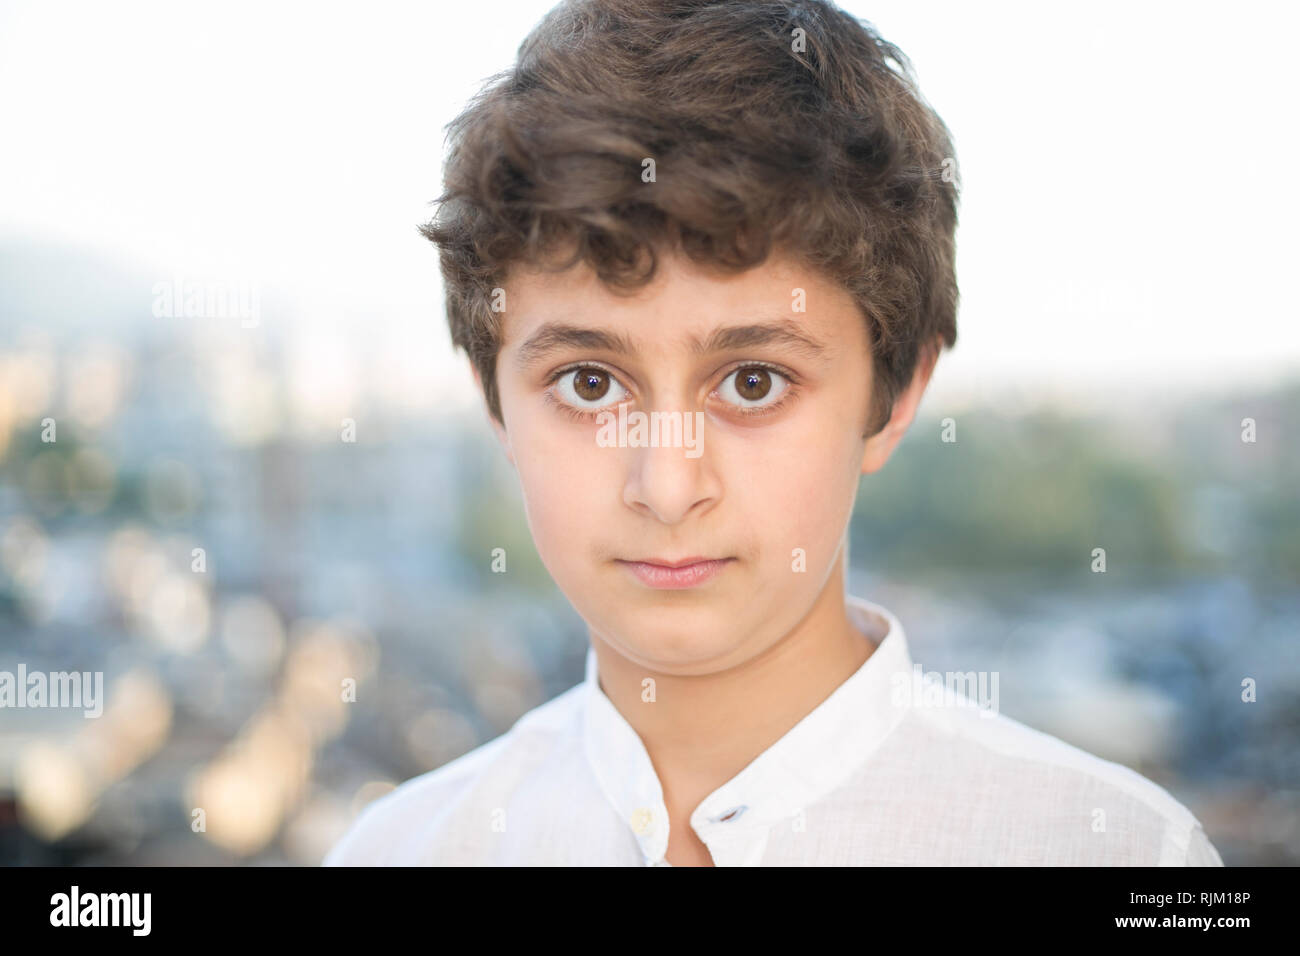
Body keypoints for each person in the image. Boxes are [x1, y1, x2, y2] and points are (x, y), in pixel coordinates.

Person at [324, 0, 1222, 866]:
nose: (668, 488)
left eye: (753, 383)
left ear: (896, 393)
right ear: (495, 404)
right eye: (590, 384)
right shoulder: (401, 852)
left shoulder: (1115, 852)